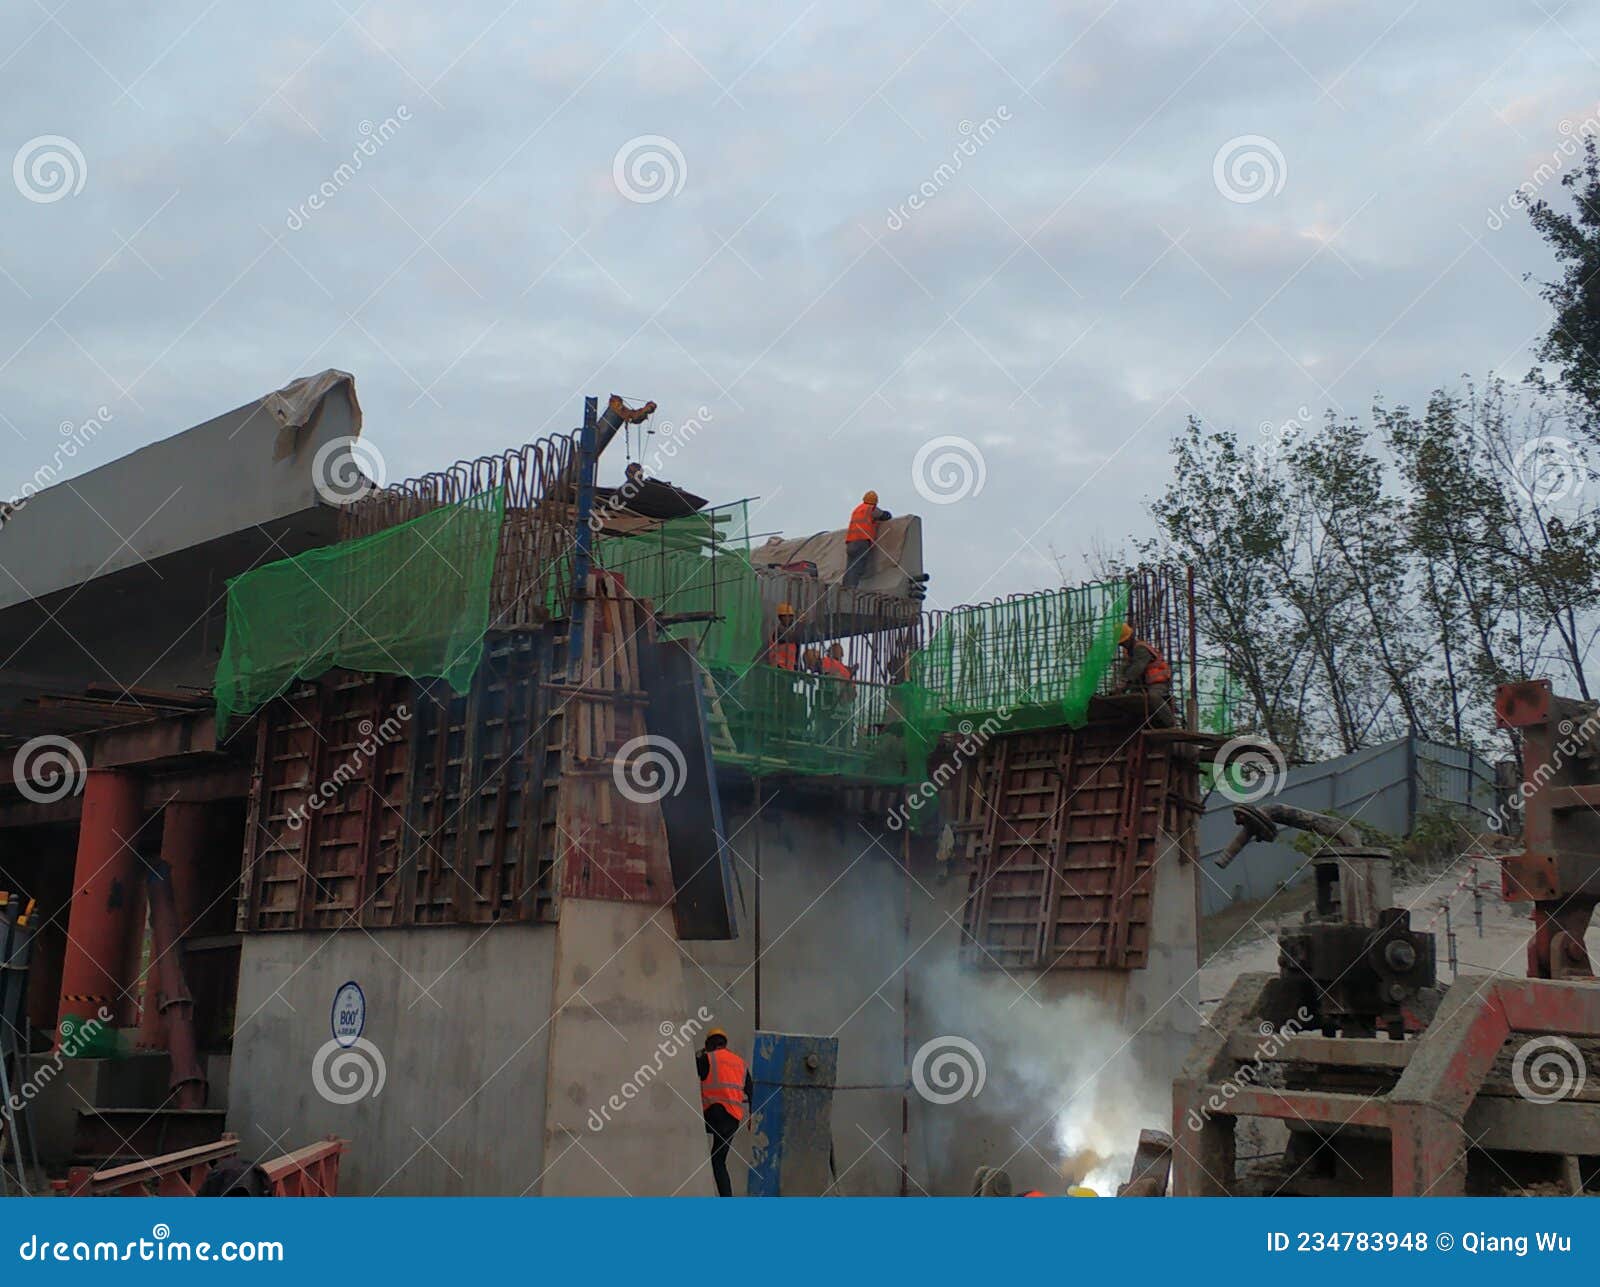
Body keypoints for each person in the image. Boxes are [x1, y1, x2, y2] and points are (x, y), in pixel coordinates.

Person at [698, 1027, 752, 1197]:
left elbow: (688, 1073)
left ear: (708, 1044)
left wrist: (699, 1055)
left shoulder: (707, 1058)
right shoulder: (739, 1063)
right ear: (725, 1043)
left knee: (687, 1129)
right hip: (732, 1120)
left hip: (712, 1116)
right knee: (718, 1161)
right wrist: (752, 1117)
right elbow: (752, 1091)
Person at [1115, 623, 1175, 728]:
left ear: (1129, 638)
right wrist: (1119, 684)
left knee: (1154, 696)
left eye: (1123, 642)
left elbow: (1138, 667)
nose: (1122, 645)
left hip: (1158, 682)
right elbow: (1124, 668)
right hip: (1143, 683)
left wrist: (1125, 681)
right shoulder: (1129, 652)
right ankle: (1134, 724)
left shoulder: (1140, 649)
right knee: (1129, 699)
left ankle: (1170, 724)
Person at [844, 490, 891, 587]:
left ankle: (845, 586)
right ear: (875, 502)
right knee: (857, 566)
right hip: (862, 541)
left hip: (850, 542)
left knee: (850, 567)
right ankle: (851, 588)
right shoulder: (871, 509)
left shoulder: (857, 509)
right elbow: (884, 516)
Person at [767, 603, 799, 670]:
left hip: (789, 669)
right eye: (786, 616)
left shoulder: (790, 632)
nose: (790, 618)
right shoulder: (779, 632)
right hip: (779, 668)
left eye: (791, 616)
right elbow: (793, 638)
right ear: (780, 618)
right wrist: (801, 623)